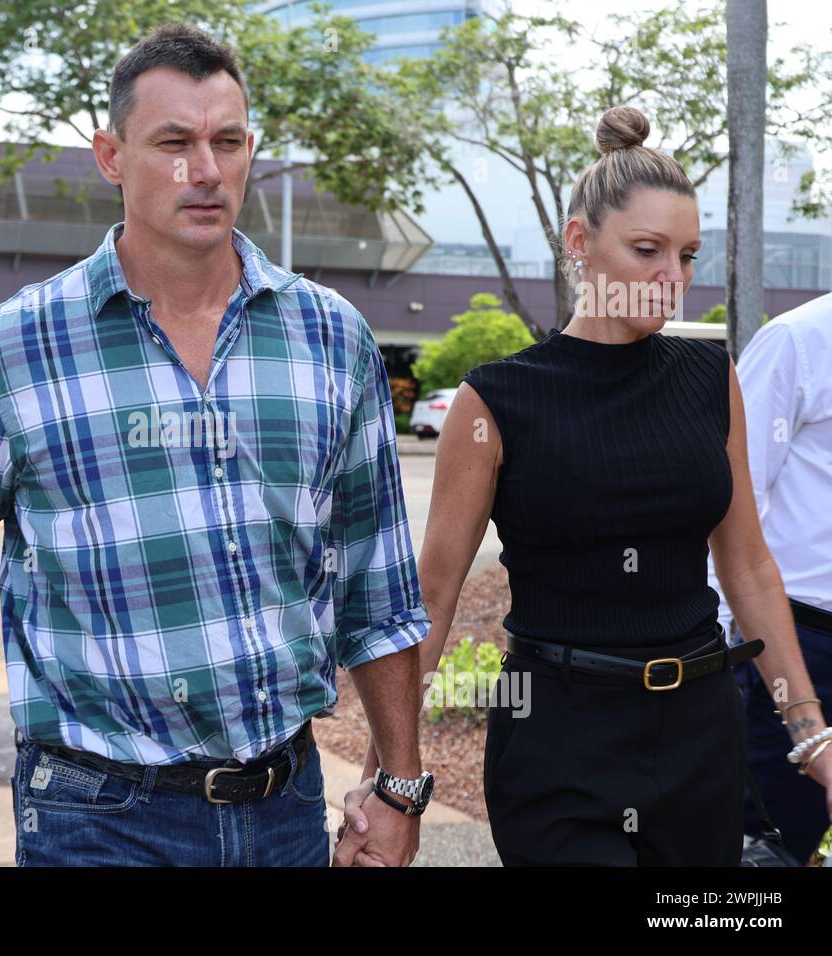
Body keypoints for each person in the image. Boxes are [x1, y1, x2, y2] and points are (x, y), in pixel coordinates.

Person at [0, 23, 433, 868]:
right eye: (174, 143)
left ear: (251, 150)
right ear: (111, 156)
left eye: (227, 142)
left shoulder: (331, 339)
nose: (206, 170)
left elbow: (379, 587)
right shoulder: (13, 351)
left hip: (285, 811)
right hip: (97, 820)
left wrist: (400, 783)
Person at [337, 105, 831, 866]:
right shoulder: (496, 400)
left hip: (701, 732)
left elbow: (749, 566)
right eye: (648, 251)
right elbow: (431, 599)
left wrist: (811, 732)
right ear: (579, 242)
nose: (674, 279)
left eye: (688, 255)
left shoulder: (710, 377)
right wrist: (388, 784)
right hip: (557, 738)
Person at [707, 294, 832, 863]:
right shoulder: (797, 341)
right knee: (766, 855)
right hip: (798, 646)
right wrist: (723, 652)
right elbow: (732, 509)